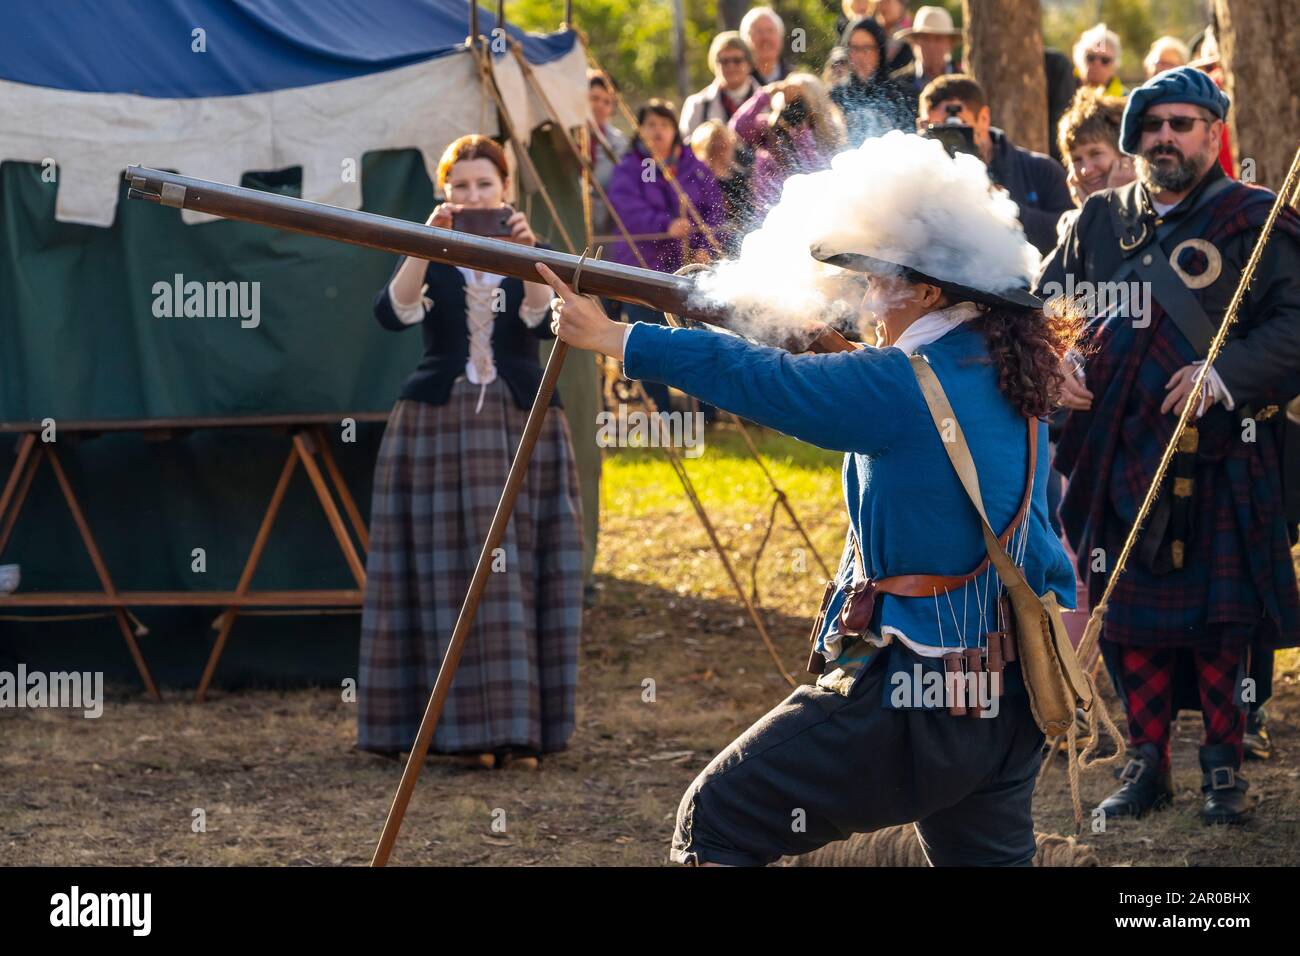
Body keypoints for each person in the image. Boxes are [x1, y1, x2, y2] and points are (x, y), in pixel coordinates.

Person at [533, 157, 1081, 866]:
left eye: (881, 280)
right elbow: (867, 389)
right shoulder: (1005, 367)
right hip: (1007, 699)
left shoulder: (899, 384)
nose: (868, 296)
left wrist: (619, 340)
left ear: (926, 291)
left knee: (717, 818)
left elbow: (767, 383)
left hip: (917, 700)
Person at [1036, 67, 1300, 825]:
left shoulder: (1254, 219)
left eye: (1182, 124)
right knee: (1127, 617)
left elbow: (1295, 322)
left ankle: (1224, 768)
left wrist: (1226, 373)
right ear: (1134, 140)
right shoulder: (1095, 223)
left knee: (1223, 620)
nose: (1165, 138)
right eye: (1151, 127)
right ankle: (1147, 764)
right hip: (1115, 446)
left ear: (1214, 134)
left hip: (1221, 447)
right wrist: (1060, 358)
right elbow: (1045, 304)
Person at [357, 135, 584, 771]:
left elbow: (545, 323)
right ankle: (438, 729)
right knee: (440, 569)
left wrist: (527, 259)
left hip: (521, 422)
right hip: (437, 424)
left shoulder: (527, 250)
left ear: (505, 190)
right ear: (445, 193)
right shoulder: (433, 250)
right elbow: (392, 314)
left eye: (485, 185)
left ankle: (519, 729)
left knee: (520, 572)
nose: (473, 196)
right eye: (461, 186)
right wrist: (423, 245)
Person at [607, 99, 724, 412]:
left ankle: (706, 409)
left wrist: (704, 247)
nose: (657, 131)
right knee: (647, 335)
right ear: (640, 130)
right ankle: (660, 409)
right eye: (650, 125)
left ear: (675, 130)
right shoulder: (632, 167)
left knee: (697, 334)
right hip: (641, 266)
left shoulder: (693, 167)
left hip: (689, 268)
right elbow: (625, 208)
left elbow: (712, 211)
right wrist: (665, 225)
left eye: (664, 125)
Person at [920, 74, 1073, 256]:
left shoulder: (1041, 170)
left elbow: (1070, 235)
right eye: (934, 130)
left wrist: (1003, 206)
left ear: (983, 118)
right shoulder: (922, 181)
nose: (944, 138)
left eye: (956, 128)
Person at [731, 73, 846, 216]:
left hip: (815, 210)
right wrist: (764, 95)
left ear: (814, 101)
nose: (794, 108)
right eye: (790, 102)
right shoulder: (770, 128)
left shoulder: (828, 132)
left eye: (800, 101)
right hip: (774, 214)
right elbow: (738, 128)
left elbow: (817, 171)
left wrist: (802, 130)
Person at [1055, 87, 1134, 242]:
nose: (1086, 170)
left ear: (1125, 156)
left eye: (1095, 153)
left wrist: (1118, 204)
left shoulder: (1155, 212)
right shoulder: (1071, 223)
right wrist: (1091, 213)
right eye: (1077, 160)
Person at [830, 16, 913, 147]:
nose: (860, 56)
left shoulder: (899, 94)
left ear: (880, 51)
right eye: (854, 48)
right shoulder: (836, 96)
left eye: (867, 48)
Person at [680, 32, 760, 139]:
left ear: (750, 63)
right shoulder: (697, 105)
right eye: (724, 61)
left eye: (737, 60)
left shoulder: (771, 101)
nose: (730, 66)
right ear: (714, 64)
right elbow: (688, 150)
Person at [689, 120, 751, 255]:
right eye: (714, 146)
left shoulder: (739, 177)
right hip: (705, 244)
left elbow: (748, 212)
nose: (719, 150)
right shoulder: (696, 180)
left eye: (722, 144)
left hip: (736, 240)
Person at [889, 4, 960, 111]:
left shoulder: (964, 84)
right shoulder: (896, 85)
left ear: (950, 44)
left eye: (938, 38)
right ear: (914, 43)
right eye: (925, 38)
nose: (931, 45)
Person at [587, 69, 629, 238]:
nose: (600, 106)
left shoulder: (620, 144)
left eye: (607, 102)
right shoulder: (564, 135)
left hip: (604, 229)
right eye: (594, 98)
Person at [741, 7, 791, 85]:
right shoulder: (737, 81)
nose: (765, 37)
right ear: (745, 39)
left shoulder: (795, 79)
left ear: (781, 37)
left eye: (770, 31)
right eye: (758, 32)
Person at [1073, 23, 1124, 97]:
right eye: (1091, 58)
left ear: (1115, 65)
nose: (1097, 64)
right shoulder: (1061, 88)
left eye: (1105, 60)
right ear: (1078, 59)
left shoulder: (1126, 100)